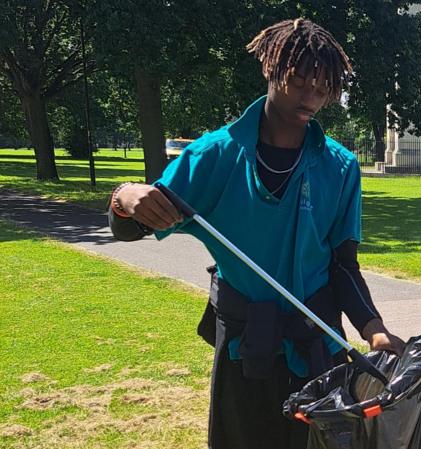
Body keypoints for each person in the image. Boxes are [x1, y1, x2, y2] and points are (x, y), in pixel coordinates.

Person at [107, 18, 404, 449]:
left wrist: (373, 328)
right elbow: (132, 226)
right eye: (299, 81)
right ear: (270, 69)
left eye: (322, 88)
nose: (311, 96)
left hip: (317, 350)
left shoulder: (340, 167)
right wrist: (125, 195)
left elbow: (343, 265)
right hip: (243, 352)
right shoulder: (215, 155)